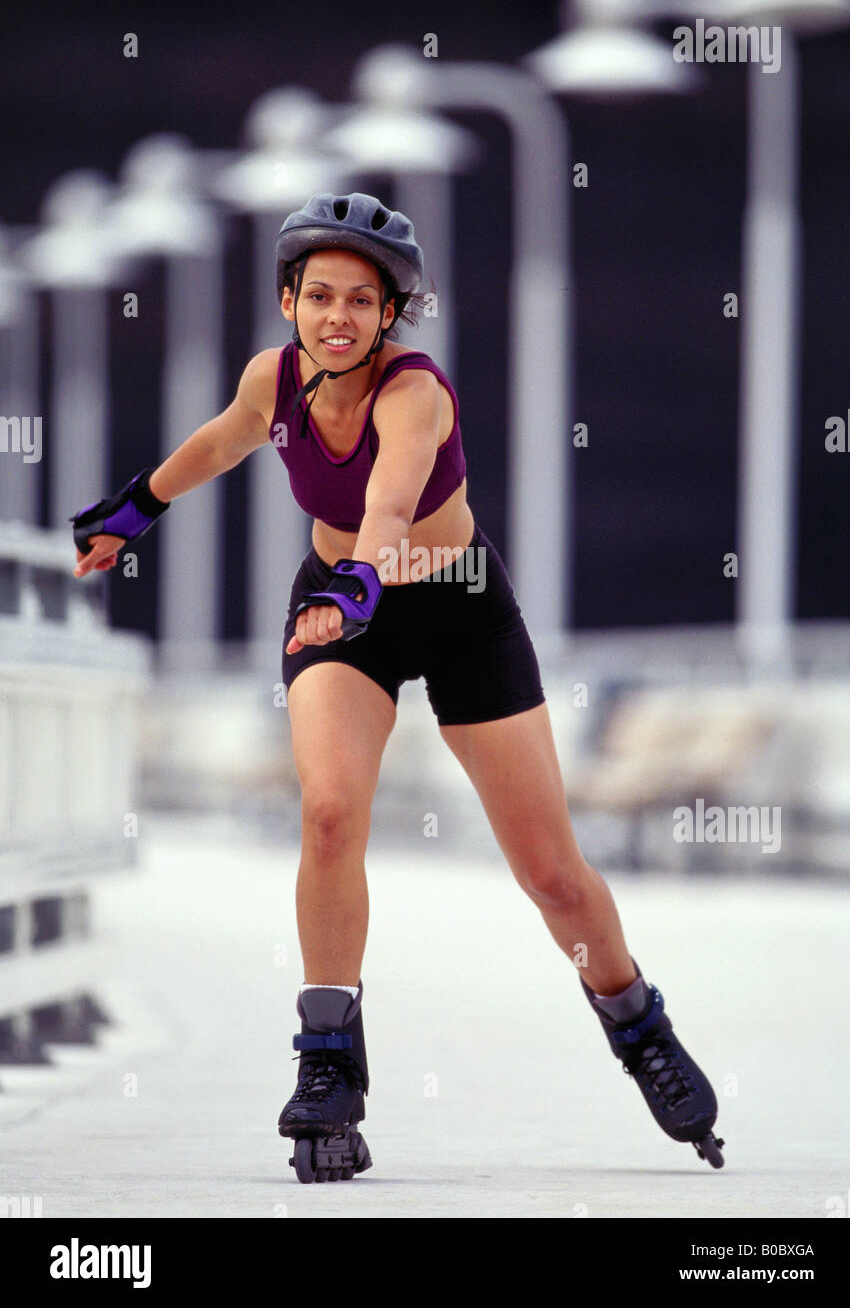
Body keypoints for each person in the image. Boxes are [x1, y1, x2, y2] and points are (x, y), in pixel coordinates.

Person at [70, 191, 724, 1183]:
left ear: (391, 315)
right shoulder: (273, 379)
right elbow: (220, 440)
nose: (338, 317)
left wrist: (363, 581)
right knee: (330, 811)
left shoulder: (416, 393)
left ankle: (637, 1022)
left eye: (361, 302)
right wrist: (135, 509)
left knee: (550, 872)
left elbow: (390, 500)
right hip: (339, 614)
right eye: (319, 295)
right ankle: (328, 1058)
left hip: (455, 604)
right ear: (290, 301)